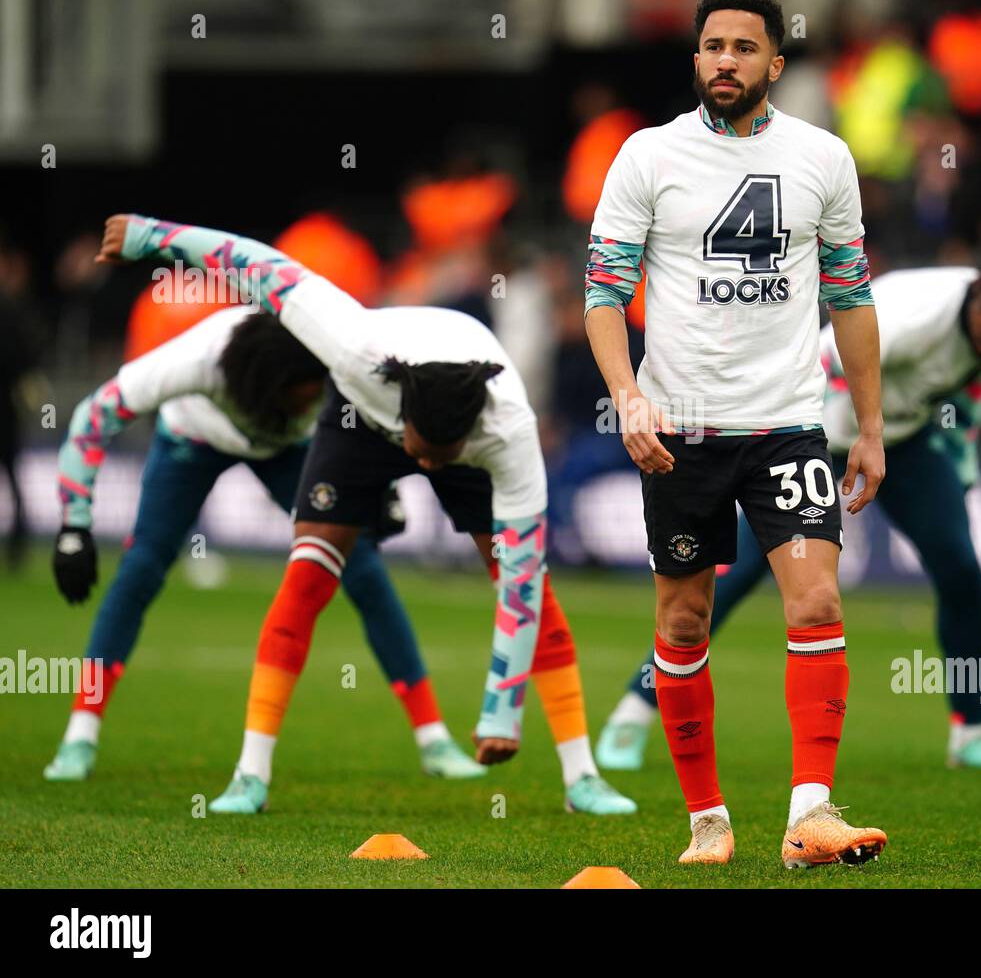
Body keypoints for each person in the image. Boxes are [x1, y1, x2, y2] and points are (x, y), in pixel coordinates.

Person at [94, 213, 636, 817]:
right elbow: (255, 263)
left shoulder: (509, 436)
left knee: (533, 585)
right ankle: (250, 775)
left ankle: (581, 777)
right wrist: (147, 237)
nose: (426, 466)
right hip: (359, 423)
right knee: (308, 579)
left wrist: (500, 710)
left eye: (439, 457)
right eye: (421, 451)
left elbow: (521, 588)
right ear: (406, 415)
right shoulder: (354, 344)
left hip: (454, 432)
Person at [585, 0, 886, 868]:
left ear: (775, 65)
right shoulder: (646, 156)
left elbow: (852, 297)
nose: (725, 61)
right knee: (683, 625)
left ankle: (810, 816)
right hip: (679, 430)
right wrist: (628, 397)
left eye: (744, 49)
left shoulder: (824, 158)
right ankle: (707, 820)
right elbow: (604, 295)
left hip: (789, 423)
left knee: (819, 599)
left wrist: (869, 425)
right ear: (695, 59)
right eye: (712, 46)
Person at [597, 250, 981, 774]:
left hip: (901, 440)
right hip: (820, 432)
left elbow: (970, 384)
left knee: (962, 571)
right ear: (978, 286)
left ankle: (971, 732)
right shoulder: (915, 311)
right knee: (737, 573)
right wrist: (827, 443)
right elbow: (824, 358)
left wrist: (960, 470)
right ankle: (634, 709)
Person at [44, 305, 484, 782]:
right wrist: (74, 525)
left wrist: (383, 483)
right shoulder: (195, 361)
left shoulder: (328, 348)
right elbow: (96, 413)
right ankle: (79, 734)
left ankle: (433, 737)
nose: (308, 406)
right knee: (142, 568)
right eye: (302, 400)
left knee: (361, 567)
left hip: (288, 453)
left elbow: (375, 402)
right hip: (192, 439)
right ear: (266, 391)